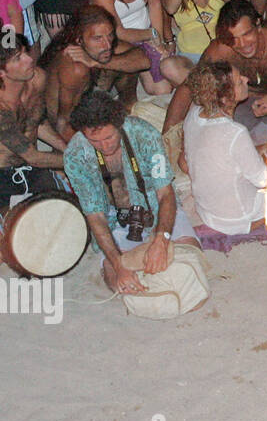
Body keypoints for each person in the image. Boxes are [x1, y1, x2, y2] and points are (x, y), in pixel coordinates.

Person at [62, 90, 202, 295]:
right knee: (121, 283)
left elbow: (165, 194)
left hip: (156, 207)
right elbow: (95, 216)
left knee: (191, 259)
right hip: (114, 221)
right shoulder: (75, 155)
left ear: (119, 124)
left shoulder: (144, 134)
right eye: (95, 141)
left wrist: (161, 238)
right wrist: (119, 265)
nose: (104, 146)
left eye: (109, 137)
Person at [161, 0, 267, 149]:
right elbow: (189, 86)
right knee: (212, 144)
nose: (242, 45)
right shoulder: (221, 49)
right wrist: (169, 134)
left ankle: (262, 152)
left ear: (258, 25)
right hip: (243, 102)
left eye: (246, 34)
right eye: (234, 39)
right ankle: (257, 154)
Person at [0, 31, 67, 267]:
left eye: (24, 52)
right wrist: (77, 159)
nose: (29, 60)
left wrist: (68, 149)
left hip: (31, 167)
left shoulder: (36, 79)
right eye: (18, 59)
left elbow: (36, 123)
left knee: (68, 226)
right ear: (0, 72)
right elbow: (33, 156)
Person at [40, 5, 150, 141]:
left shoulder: (102, 46)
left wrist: (95, 62)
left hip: (92, 103)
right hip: (70, 121)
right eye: (98, 38)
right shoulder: (75, 67)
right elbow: (64, 123)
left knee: (125, 63)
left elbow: (143, 60)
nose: (107, 45)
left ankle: (128, 111)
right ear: (79, 39)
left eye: (110, 35)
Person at [182, 61, 267, 235]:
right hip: (238, 218)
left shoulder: (194, 113)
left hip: (206, 211)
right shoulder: (235, 133)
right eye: (239, 81)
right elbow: (264, 180)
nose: (245, 79)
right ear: (225, 97)